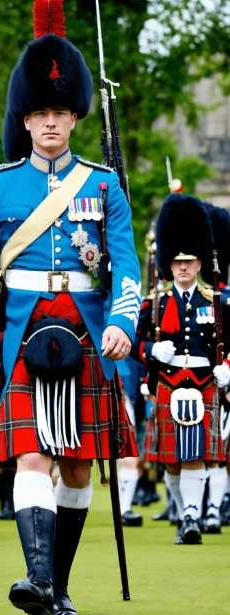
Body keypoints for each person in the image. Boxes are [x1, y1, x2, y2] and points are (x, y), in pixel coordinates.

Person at [0, 3, 140, 615]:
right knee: (32, 453)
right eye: (40, 113)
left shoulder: (103, 184)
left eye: (61, 112)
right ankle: (37, 580)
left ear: (74, 116)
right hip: (22, 335)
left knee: (79, 460)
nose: (51, 123)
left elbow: (128, 267)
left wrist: (121, 321)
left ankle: (56, 587)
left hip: (89, 332)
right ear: (26, 119)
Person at [133, 194, 228, 545]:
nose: (183, 267)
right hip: (168, 383)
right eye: (177, 262)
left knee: (196, 455)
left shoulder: (216, 302)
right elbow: (131, 342)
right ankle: (182, 509)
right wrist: (151, 351)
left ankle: (191, 516)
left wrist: (227, 368)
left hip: (203, 382)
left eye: (189, 261)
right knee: (172, 462)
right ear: (169, 266)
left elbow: (229, 344)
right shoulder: (155, 302)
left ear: (200, 263)